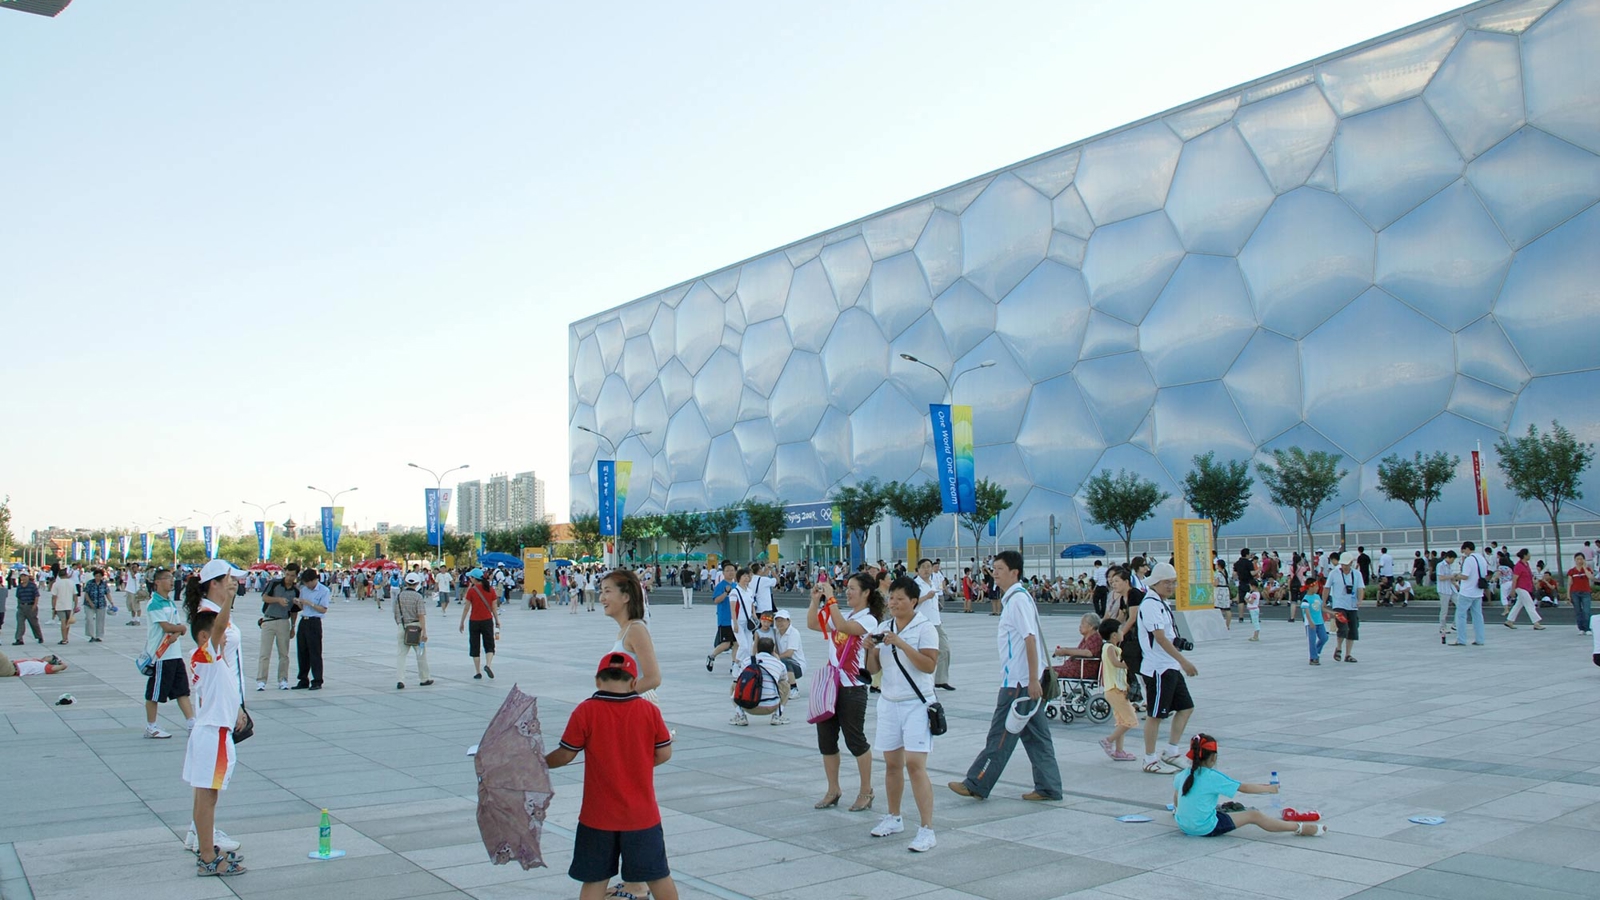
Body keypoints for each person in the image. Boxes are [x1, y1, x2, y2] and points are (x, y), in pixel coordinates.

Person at [545, 652, 678, 900]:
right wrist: (636, 765)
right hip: (641, 816)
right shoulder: (648, 710)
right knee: (658, 876)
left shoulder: (586, 711)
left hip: (597, 817)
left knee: (595, 880)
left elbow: (565, 755)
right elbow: (665, 753)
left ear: (598, 681)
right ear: (633, 682)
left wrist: (537, 763)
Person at [950, 550, 1063, 802]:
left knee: (1000, 735)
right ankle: (1049, 787)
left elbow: (1029, 640)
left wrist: (1032, 680)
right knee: (1037, 737)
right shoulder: (1015, 599)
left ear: (1015, 572)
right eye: (994, 568)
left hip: (1019, 683)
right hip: (1022, 680)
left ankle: (977, 783)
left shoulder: (1018, 600)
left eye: (1000, 569)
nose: (995, 573)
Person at [862, 575, 939, 852]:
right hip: (889, 702)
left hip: (916, 704)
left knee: (915, 766)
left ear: (914, 601)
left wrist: (902, 643)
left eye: (900, 599)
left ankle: (927, 829)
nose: (893, 603)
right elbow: (873, 671)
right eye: (891, 598)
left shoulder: (925, 628)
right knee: (892, 764)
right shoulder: (884, 627)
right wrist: (870, 650)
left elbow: (929, 666)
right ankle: (893, 817)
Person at [182, 558, 249, 871]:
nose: (224, 636)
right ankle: (208, 856)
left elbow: (220, 631)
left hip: (210, 727)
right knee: (208, 795)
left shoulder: (208, 654)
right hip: (213, 729)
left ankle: (205, 845)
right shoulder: (208, 647)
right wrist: (231, 599)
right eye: (228, 580)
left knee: (204, 793)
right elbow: (218, 628)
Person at [805, 573, 880, 812]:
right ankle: (833, 789)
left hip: (853, 687)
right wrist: (815, 601)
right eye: (846, 588)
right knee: (826, 741)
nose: (848, 592)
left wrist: (832, 601)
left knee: (855, 740)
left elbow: (845, 628)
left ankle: (866, 790)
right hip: (831, 685)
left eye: (853, 589)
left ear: (866, 593)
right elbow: (813, 624)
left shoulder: (869, 620)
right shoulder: (844, 613)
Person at [1174, 734, 1324, 837]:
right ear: (1214, 758)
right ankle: (1299, 828)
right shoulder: (1213, 777)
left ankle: (1299, 828)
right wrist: (1270, 789)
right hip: (1204, 828)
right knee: (1254, 815)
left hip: (1183, 825)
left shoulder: (1184, 774)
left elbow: (1177, 796)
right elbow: (1244, 787)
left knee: (1219, 809)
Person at [1132, 562, 1199, 774]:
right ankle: (1149, 759)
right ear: (1156, 583)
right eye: (1167, 583)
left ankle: (1171, 751)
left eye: (1173, 582)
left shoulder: (1161, 602)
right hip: (1158, 668)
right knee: (1155, 714)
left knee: (1186, 707)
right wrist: (1184, 661)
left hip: (1169, 666)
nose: (1171, 586)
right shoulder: (1150, 604)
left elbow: (1168, 636)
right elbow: (1160, 639)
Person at [143, 567, 195, 738]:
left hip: (175, 654)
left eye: (172, 578)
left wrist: (178, 630)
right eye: (167, 578)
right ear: (157, 582)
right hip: (160, 655)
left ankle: (191, 723)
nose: (171, 581)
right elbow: (166, 627)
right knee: (155, 693)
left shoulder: (171, 602)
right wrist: (179, 629)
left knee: (182, 690)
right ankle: (151, 726)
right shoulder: (154, 603)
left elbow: (179, 628)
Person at [1094, 618, 1138, 761]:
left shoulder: (1114, 648)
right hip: (1114, 689)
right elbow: (1115, 663)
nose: (1122, 632)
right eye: (1120, 630)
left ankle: (1119, 752)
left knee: (1122, 721)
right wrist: (1130, 664)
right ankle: (1109, 740)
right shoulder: (1109, 648)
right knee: (1131, 719)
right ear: (1114, 635)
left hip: (1117, 688)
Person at [256, 562, 299, 691]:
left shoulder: (295, 591)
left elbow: (294, 611)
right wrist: (278, 600)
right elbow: (264, 597)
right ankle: (261, 680)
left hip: (283, 621)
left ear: (296, 576)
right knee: (265, 653)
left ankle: (283, 679)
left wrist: (293, 627)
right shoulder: (274, 583)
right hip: (269, 620)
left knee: (284, 654)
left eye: (292, 575)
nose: (289, 578)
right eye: (287, 574)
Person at [913, 559, 955, 691]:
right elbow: (911, 603)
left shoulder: (933, 582)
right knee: (922, 652)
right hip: (921, 623)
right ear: (918, 570)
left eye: (928, 567)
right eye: (923, 567)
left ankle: (941, 680)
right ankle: (919, 680)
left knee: (945, 650)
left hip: (936, 622)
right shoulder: (915, 585)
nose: (926, 570)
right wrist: (926, 597)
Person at [291, 568, 330, 690]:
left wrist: (310, 603)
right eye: (305, 583)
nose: (308, 585)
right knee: (302, 652)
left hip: (314, 622)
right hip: (304, 621)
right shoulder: (304, 590)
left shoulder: (324, 590)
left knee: (315, 652)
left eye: (309, 582)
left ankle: (317, 680)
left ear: (315, 579)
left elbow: (323, 609)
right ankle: (303, 679)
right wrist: (299, 603)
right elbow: (303, 607)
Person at [459, 568, 501, 680]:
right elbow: (494, 608)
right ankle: (488, 665)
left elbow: (466, 608)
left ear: (474, 578)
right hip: (487, 620)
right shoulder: (490, 590)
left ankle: (477, 672)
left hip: (474, 621)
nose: (469, 579)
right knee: (489, 644)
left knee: (475, 645)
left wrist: (462, 622)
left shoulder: (472, 591)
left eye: (470, 577)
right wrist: (497, 620)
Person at [394, 572, 433, 689]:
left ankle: (400, 679)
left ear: (406, 582)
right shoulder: (418, 597)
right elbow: (421, 615)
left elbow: (395, 613)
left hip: (403, 626)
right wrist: (424, 632)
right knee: (420, 654)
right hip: (416, 627)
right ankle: (424, 678)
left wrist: (401, 625)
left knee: (401, 654)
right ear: (417, 584)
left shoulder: (399, 596)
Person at [1328, 552, 1365, 663]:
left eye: (1347, 564)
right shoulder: (1334, 573)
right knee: (1343, 627)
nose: (1344, 567)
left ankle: (1348, 654)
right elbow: (1327, 587)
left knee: (1353, 630)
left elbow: (1360, 588)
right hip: (1339, 605)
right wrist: (1325, 602)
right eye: (1343, 564)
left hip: (1352, 605)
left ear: (1351, 563)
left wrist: (1360, 600)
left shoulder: (1357, 574)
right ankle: (1339, 648)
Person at [1452, 541, 1489, 647]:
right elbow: (1485, 574)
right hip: (1478, 592)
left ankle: (1461, 639)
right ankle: (1480, 639)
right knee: (1478, 616)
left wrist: (1456, 576)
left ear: (1467, 549)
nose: (1463, 553)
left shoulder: (1469, 560)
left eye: (1463, 550)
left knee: (1461, 615)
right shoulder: (1482, 558)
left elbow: (1465, 576)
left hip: (1467, 591)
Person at [706, 561, 737, 672]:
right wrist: (725, 593)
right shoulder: (720, 586)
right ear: (723, 573)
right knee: (726, 643)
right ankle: (712, 656)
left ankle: (734, 665)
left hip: (735, 619)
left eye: (732, 570)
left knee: (736, 643)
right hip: (725, 619)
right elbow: (716, 600)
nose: (730, 572)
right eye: (727, 570)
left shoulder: (736, 585)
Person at [1506, 548, 1546, 629]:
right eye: (1528, 553)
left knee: (1518, 604)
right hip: (1521, 588)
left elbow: (1529, 576)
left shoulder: (1526, 565)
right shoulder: (1518, 566)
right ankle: (1536, 623)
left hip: (1526, 587)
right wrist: (1513, 590)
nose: (1530, 555)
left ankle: (1509, 621)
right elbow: (1515, 579)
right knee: (1530, 604)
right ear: (1525, 555)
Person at [773, 609, 806, 699]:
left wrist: (776, 658)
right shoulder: (776, 633)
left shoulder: (793, 633)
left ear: (789, 621)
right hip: (782, 662)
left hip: (797, 665)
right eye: (777, 621)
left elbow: (789, 653)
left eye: (782, 620)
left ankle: (794, 689)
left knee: (785, 661)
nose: (780, 623)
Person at [1302, 577, 1329, 665]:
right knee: (1312, 640)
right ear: (1310, 587)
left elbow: (1321, 608)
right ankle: (1313, 658)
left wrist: (1330, 613)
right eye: (1316, 586)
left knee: (1324, 637)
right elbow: (1306, 611)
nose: (1317, 588)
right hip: (1311, 623)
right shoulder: (1306, 598)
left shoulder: (1317, 596)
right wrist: (1310, 622)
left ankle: (1316, 652)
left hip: (1319, 621)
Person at [12, 570, 43, 645]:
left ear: (28, 577)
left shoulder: (32, 586)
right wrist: (19, 606)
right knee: (20, 623)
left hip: (30, 606)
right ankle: (19, 639)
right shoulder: (19, 586)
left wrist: (34, 606)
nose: (23, 578)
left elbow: (36, 596)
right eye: (22, 576)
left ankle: (39, 636)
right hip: (22, 607)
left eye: (25, 576)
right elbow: (18, 597)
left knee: (34, 623)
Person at [49, 564, 76, 645]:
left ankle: (64, 639)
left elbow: (54, 597)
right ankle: (66, 637)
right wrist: (75, 605)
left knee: (63, 622)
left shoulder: (56, 584)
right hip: (69, 605)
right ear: (67, 574)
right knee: (68, 622)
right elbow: (75, 595)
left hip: (60, 605)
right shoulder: (72, 583)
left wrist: (53, 608)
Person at [81, 569, 111, 643]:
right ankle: (91, 635)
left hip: (101, 604)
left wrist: (111, 602)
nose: (97, 577)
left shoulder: (104, 584)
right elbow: (86, 593)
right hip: (89, 604)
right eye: (96, 576)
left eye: (99, 576)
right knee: (89, 619)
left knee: (100, 620)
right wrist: (90, 602)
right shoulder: (90, 583)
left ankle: (99, 636)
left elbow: (107, 593)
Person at [1436, 551, 1460, 639]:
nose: (1453, 561)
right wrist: (1451, 576)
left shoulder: (1449, 566)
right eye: (1453, 559)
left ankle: (1455, 624)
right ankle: (1442, 627)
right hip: (1443, 590)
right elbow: (1441, 577)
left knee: (1460, 605)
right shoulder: (1440, 565)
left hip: (1451, 589)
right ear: (1449, 557)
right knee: (1444, 610)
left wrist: (1455, 584)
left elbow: (1450, 578)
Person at [1568, 553, 1593, 635]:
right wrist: (1568, 595)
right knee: (1578, 611)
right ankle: (1581, 628)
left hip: (1586, 592)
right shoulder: (1572, 571)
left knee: (1586, 611)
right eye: (1578, 559)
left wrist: (1584, 568)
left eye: (1581, 559)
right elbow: (1569, 583)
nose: (1579, 561)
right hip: (1575, 593)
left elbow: (1590, 577)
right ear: (1575, 560)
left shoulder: (1587, 569)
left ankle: (1587, 628)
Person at [0, 651, 67, 675]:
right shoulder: (40, 662)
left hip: (10, 668)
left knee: (2, 656)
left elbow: (63, 667)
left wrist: (61, 664)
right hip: (9, 666)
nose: (46, 656)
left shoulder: (46, 666)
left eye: (49, 657)